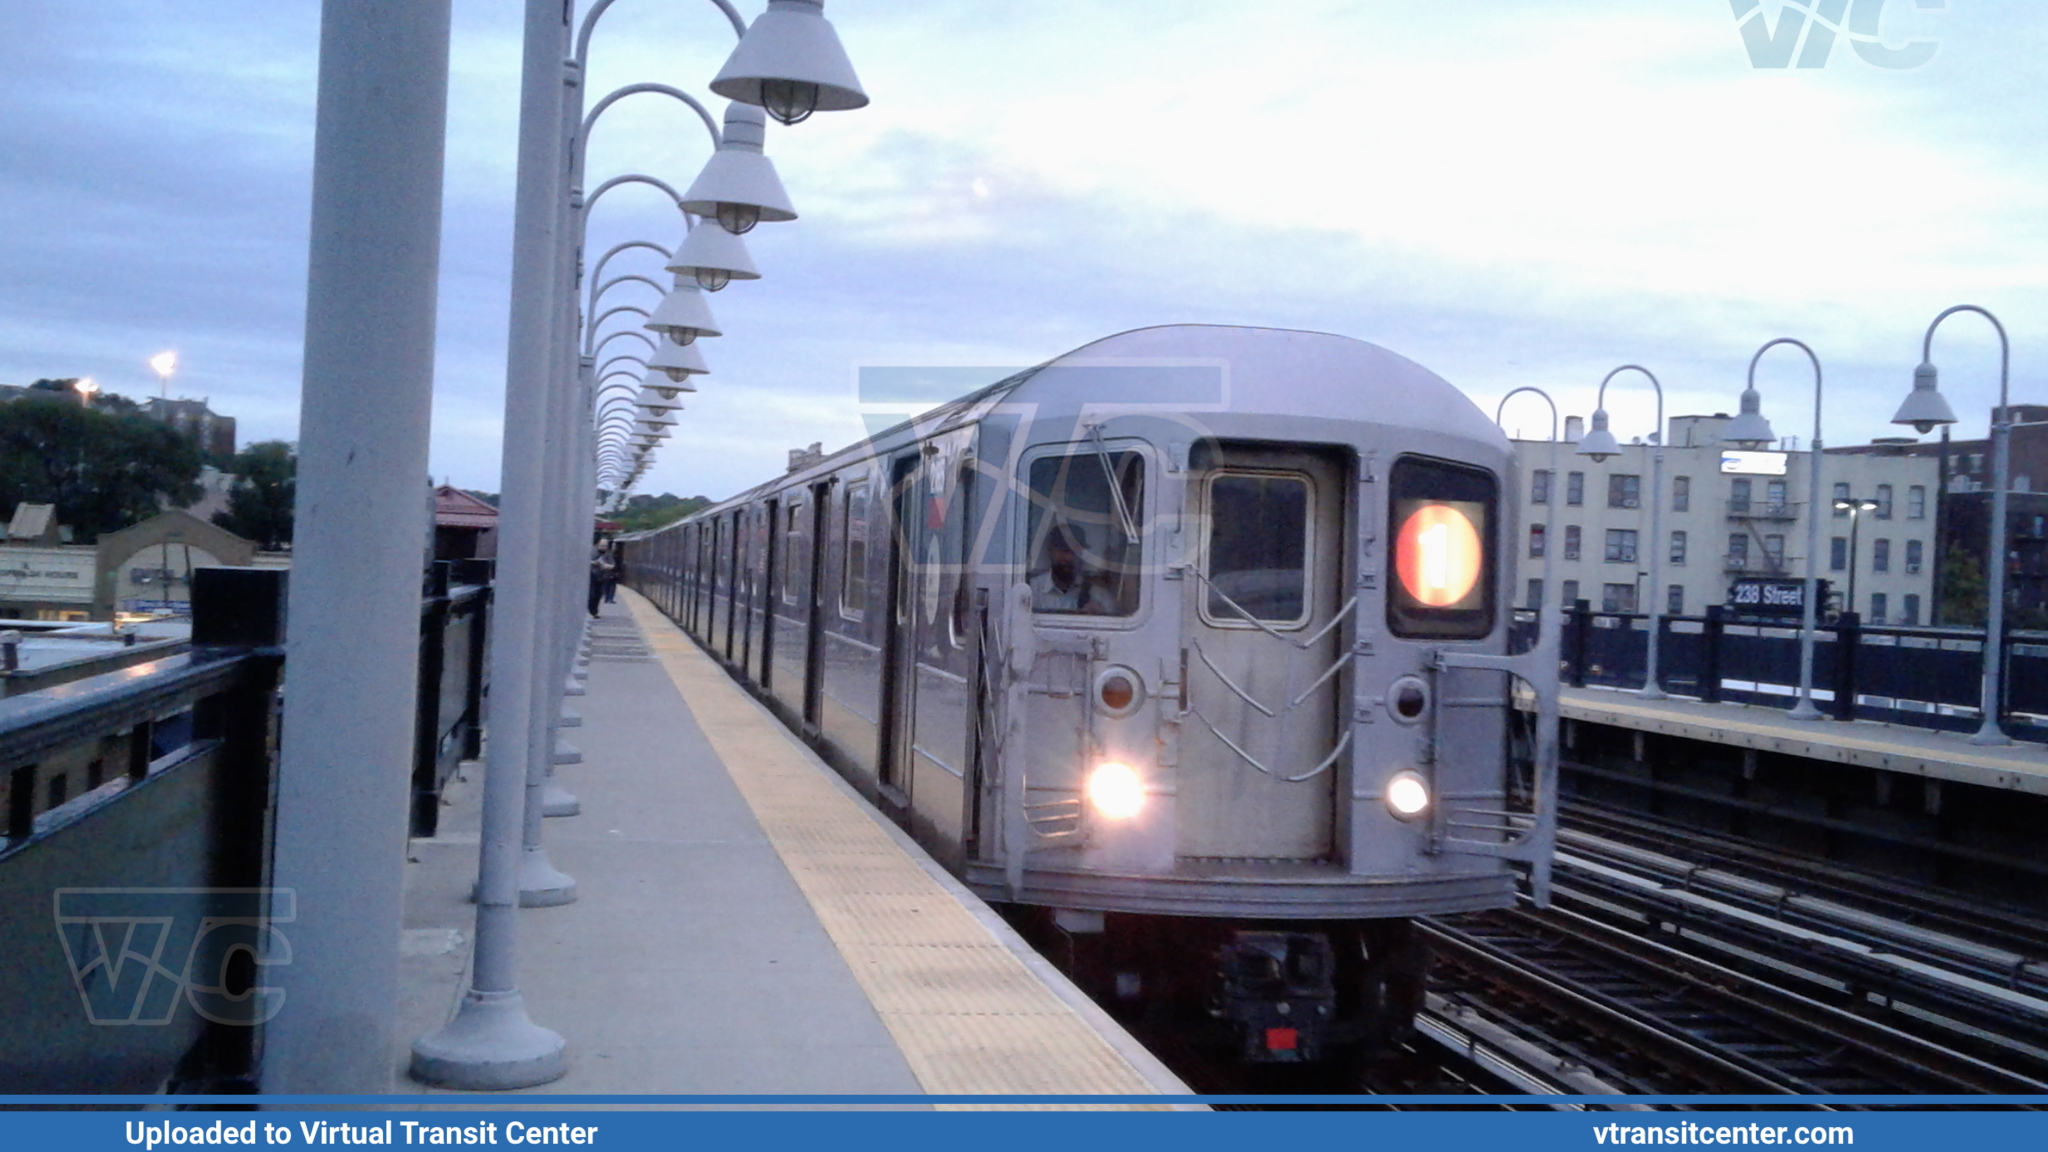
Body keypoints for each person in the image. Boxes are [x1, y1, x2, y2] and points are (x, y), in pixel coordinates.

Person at [1028, 525, 1112, 614]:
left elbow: (1117, 623)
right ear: (1051, 551)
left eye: (1075, 552)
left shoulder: (1098, 595)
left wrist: (1100, 615)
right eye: (1064, 550)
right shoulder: (1033, 590)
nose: (1069, 557)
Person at [588, 549, 613, 617]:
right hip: (592, 576)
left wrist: (605, 565)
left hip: (603, 577)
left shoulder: (608, 555)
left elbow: (612, 565)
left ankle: (594, 611)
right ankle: (592, 611)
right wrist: (593, 562)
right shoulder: (591, 552)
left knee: (598, 595)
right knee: (592, 594)